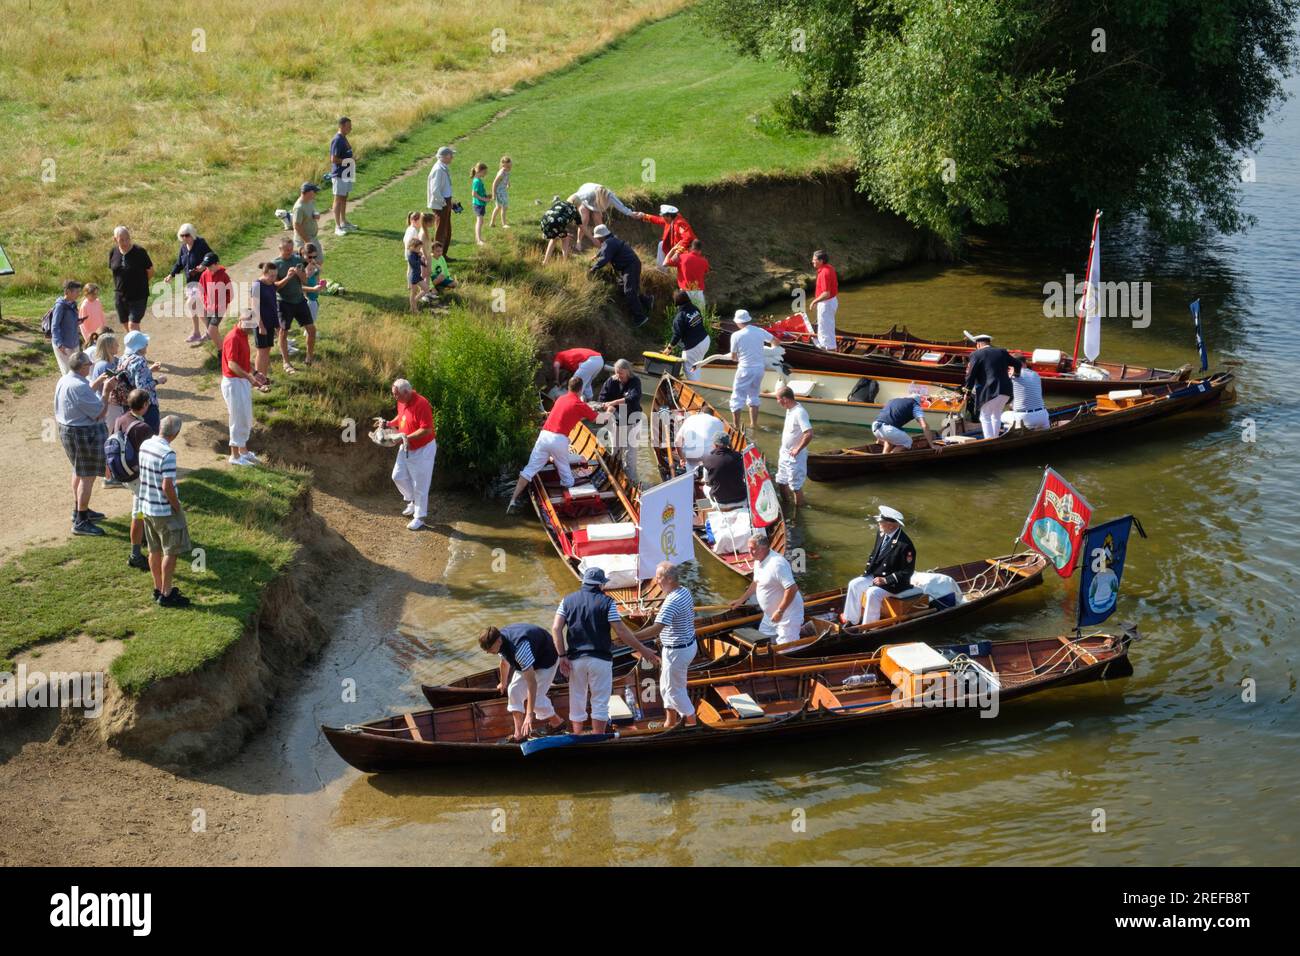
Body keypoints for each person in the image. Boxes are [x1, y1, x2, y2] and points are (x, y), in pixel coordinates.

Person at [553, 568, 660, 735]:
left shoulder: (566, 601)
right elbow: (622, 632)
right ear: (601, 585)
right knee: (600, 701)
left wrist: (562, 656)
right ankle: (598, 736)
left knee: (577, 698)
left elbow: (556, 628)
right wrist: (643, 649)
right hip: (600, 660)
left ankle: (577, 735)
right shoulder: (608, 602)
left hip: (575, 660)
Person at [506, 377, 601, 514]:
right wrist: (609, 412)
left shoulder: (561, 399)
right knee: (567, 478)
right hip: (559, 440)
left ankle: (513, 500)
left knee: (528, 471)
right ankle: (568, 505)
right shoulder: (580, 405)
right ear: (581, 389)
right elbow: (598, 419)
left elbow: (568, 414)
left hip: (544, 436)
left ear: (568, 387)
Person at [631, 562, 697, 729]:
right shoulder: (684, 591)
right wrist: (653, 613)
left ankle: (693, 725)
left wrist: (630, 636)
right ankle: (670, 722)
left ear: (668, 578)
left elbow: (655, 630)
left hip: (677, 652)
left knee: (675, 691)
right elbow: (669, 615)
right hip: (685, 647)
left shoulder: (672, 601)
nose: (656, 580)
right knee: (667, 687)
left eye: (658, 577)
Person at [54, 351, 111, 536]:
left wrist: (97, 383)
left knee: (78, 471)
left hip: (69, 430)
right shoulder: (79, 385)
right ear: (82, 367)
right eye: (89, 363)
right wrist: (107, 391)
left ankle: (79, 509)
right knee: (88, 476)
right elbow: (100, 413)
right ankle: (81, 521)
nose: (92, 364)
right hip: (83, 433)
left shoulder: (66, 379)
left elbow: (84, 395)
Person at [137, 415, 192, 607]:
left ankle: (158, 588)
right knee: (171, 551)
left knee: (154, 550)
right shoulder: (168, 454)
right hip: (163, 510)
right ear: (175, 434)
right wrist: (177, 506)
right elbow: (167, 486)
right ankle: (167, 594)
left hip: (146, 507)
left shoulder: (145, 445)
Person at [479, 623, 565, 741]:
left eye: (489, 649)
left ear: (498, 641)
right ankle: (519, 735)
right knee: (513, 690)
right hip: (529, 658)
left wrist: (529, 715)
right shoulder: (499, 639)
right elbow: (504, 662)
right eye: (486, 650)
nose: (488, 652)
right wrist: (503, 683)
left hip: (546, 660)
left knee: (536, 699)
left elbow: (532, 684)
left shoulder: (519, 649)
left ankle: (557, 723)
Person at [376, 379, 437, 530]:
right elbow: (401, 417)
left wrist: (404, 437)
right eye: (393, 394)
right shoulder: (402, 401)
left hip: (423, 449)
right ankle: (413, 501)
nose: (395, 397)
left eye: (396, 395)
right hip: (406, 445)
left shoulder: (422, 404)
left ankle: (420, 517)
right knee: (397, 476)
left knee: (420, 484)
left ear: (406, 392)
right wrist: (389, 424)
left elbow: (427, 429)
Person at [842, 506, 916, 626]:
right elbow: (874, 554)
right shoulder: (882, 533)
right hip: (876, 576)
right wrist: (868, 573)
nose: (879, 523)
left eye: (881, 521)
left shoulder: (905, 545)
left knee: (872, 593)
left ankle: (869, 627)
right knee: (854, 584)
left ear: (892, 525)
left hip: (894, 584)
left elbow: (907, 572)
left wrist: (885, 580)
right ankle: (852, 620)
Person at [731, 533, 804, 645]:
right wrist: (740, 600)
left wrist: (780, 611)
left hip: (787, 615)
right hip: (770, 615)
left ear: (763, 548)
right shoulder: (757, 561)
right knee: (760, 643)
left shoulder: (777, 564)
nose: (749, 552)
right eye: (748, 548)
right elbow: (756, 583)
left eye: (752, 549)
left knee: (786, 649)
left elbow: (792, 588)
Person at [114, 388, 155, 570]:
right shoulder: (143, 428)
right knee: (137, 514)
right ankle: (135, 555)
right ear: (144, 405)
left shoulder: (120, 419)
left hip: (125, 474)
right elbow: (150, 455)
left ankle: (145, 538)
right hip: (138, 477)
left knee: (141, 511)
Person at [221, 313, 267, 466]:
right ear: (240, 320)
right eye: (249, 325)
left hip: (241, 381)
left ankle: (243, 451)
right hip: (234, 383)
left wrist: (255, 373)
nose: (251, 329)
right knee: (237, 418)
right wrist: (250, 378)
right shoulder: (233, 337)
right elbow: (232, 365)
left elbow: (243, 360)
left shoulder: (242, 335)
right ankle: (234, 457)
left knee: (245, 417)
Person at [589, 224, 651, 327]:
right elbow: (605, 250)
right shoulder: (611, 240)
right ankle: (647, 301)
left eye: (598, 238)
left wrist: (593, 268)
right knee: (623, 286)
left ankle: (640, 318)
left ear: (602, 236)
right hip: (631, 266)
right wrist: (596, 255)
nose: (598, 240)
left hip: (630, 267)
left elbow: (605, 258)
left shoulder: (609, 243)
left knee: (629, 291)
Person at [964, 333, 1023, 439]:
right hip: (1006, 390)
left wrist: (967, 391)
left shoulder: (976, 354)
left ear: (978, 344)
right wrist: (1016, 375)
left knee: (984, 416)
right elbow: (1018, 364)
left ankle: (989, 440)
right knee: (996, 415)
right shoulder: (1002, 352)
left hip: (990, 391)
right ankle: (995, 438)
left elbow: (970, 375)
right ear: (989, 342)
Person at [163, 224, 212, 344]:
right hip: (190, 282)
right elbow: (179, 263)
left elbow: (210, 256)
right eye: (182, 236)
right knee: (195, 307)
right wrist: (171, 275)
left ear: (192, 234)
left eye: (187, 235)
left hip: (202, 281)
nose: (185, 238)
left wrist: (203, 265)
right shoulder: (183, 248)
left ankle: (211, 331)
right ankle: (197, 332)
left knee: (191, 304)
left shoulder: (200, 243)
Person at [726, 309, 774, 432]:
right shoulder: (760, 331)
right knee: (753, 395)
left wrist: (737, 358)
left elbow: (733, 357)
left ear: (738, 322)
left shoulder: (736, 335)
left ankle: (736, 426)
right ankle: (754, 424)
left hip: (745, 369)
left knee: (737, 397)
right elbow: (776, 342)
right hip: (759, 369)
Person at [272, 236, 316, 371]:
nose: (289, 252)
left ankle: (309, 357)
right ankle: (286, 362)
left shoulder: (297, 260)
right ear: (280, 249)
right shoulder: (275, 264)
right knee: (283, 333)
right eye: (286, 250)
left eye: (291, 249)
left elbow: (305, 281)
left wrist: (299, 273)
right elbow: (275, 287)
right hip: (284, 302)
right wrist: (287, 277)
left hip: (299, 300)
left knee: (311, 329)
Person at [597, 358, 643, 484]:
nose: (618, 376)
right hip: (616, 422)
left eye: (621, 373)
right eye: (616, 372)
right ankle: (616, 477)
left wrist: (615, 402)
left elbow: (634, 397)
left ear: (628, 371)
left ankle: (632, 482)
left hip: (632, 422)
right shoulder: (611, 381)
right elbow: (602, 398)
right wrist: (608, 407)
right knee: (615, 451)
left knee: (630, 455)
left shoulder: (635, 381)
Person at [774, 385, 813, 510]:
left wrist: (798, 449)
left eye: (778, 399)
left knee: (795, 487)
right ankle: (786, 506)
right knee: (781, 481)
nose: (777, 401)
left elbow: (809, 433)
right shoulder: (789, 410)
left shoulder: (800, 412)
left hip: (795, 456)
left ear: (785, 399)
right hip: (784, 453)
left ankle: (798, 511)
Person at [108, 226, 153, 331]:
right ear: (115, 240)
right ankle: (136, 346)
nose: (125, 242)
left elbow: (150, 271)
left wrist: (142, 283)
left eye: (127, 238)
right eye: (121, 240)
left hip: (138, 296)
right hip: (120, 296)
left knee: (132, 325)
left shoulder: (140, 252)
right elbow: (115, 271)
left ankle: (141, 347)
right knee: (126, 325)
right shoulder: (113, 252)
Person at [567, 182, 637, 250]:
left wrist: (631, 214)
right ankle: (578, 242)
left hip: (596, 203)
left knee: (598, 219)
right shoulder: (587, 194)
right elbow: (572, 198)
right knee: (585, 218)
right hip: (585, 201)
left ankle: (603, 243)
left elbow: (621, 207)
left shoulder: (610, 196)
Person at [120, 330, 165, 433]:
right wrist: (158, 381)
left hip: (130, 404)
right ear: (140, 347)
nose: (147, 346)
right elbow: (142, 387)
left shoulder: (123, 358)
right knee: (151, 435)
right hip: (144, 407)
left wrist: (149, 370)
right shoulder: (140, 361)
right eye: (145, 344)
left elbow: (133, 377)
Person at [90, 333, 126, 453]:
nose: (118, 346)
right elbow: (115, 386)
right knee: (112, 434)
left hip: (112, 403)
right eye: (116, 344)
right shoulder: (104, 365)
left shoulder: (113, 360)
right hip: (109, 405)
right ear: (109, 347)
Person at [664, 290, 710, 380]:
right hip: (705, 340)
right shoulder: (695, 309)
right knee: (696, 366)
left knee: (689, 370)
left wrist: (668, 348)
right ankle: (698, 385)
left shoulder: (679, 317)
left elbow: (677, 335)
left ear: (676, 303)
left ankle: (695, 391)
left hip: (694, 346)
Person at [872, 395, 940, 453]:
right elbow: (924, 426)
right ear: (918, 401)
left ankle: (884, 455)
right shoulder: (915, 405)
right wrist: (932, 445)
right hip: (888, 430)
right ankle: (889, 458)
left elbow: (884, 417)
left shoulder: (894, 400)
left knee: (890, 439)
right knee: (908, 442)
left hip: (875, 427)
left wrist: (879, 438)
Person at [640, 204, 697, 269]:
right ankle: (661, 270)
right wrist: (644, 216)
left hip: (688, 250)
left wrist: (678, 252)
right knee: (661, 244)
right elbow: (658, 220)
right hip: (676, 247)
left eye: (664, 216)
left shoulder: (680, 223)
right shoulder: (671, 219)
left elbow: (687, 237)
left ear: (669, 216)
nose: (663, 219)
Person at [251, 261, 280, 381]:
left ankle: (264, 377)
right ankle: (259, 380)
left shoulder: (271, 283)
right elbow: (255, 308)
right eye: (271, 275)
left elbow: (272, 304)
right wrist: (261, 326)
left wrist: (276, 324)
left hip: (270, 322)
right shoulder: (257, 285)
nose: (274, 278)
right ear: (264, 273)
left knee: (267, 351)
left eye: (275, 275)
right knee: (261, 352)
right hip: (261, 323)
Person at [701, 432, 747, 508]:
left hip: (720, 501)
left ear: (715, 445)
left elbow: (707, 482)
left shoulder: (707, 460)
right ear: (728, 443)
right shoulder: (740, 457)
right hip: (741, 498)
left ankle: (709, 507)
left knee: (704, 487)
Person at [425, 145, 456, 256]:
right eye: (450, 155)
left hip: (445, 201)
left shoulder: (442, 167)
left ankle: (443, 255)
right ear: (445, 156)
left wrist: (450, 201)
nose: (452, 157)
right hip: (440, 204)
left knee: (446, 230)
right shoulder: (438, 169)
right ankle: (437, 255)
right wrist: (444, 203)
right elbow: (435, 190)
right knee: (441, 231)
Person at [197, 251, 233, 347]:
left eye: (210, 265)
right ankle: (217, 341)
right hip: (208, 307)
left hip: (219, 309)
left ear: (217, 263)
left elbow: (230, 293)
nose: (208, 268)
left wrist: (222, 304)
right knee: (213, 331)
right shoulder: (205, 274)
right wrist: (204, 301)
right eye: (206, 266)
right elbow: (200, 288)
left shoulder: (224, 276)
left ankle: (221, 352)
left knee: (212, 330)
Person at [329, 117, 357, 235]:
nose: (350, 128)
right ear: (341, 126)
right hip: (340, 174)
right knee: (338, 199)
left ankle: (344, 222)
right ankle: (337, 226)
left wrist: (351, 161)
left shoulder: (344, 138)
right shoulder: (337, 140)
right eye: (348, 126)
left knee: (344, 197)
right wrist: (348, 161)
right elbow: (333, 159)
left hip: (347, 172)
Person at [665, 238, 710, 310]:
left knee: (682, 316)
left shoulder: (682, 257)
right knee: (700, 317)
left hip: (684, 293)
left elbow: (665, 263)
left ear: (690, 248)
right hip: (698, 292)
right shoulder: (704, 261)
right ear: (700, 250)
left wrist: (673, 250)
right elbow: (706, 272)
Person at [807, 249, 839, 351]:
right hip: (831, 301)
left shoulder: (824, 273)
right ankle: (826, 346)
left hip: (826, 303)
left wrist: (814, 301)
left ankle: (828, 350)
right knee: (825, 326)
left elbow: (826, 293)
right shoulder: (829, 268)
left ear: (821, 261)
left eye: (814, 259)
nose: (812, 261)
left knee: (825, 328)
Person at [50, 280, 83, 375]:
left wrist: (77, 322)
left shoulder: (73, 304)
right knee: (68, 372)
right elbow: (55, 326)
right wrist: (59, 344)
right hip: (63, 346)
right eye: (76, 292)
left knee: (77, 370)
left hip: (74, 343)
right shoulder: (60, 306)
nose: (78, 294)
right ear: (68, 292)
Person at [1006, 364, 1050, 430]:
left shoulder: (1012, 376)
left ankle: (1007, 429)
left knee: (1002, 416)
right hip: (1043, 416)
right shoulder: (1036, 374)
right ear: (1025, 364)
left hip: (1024, 418)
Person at [540, 195, 580, 263]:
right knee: (566, 238)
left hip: (544, 222)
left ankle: (545, 261)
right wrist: (592, 239)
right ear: (577, 204)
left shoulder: (559, 202)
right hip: (555, 223)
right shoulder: (574, 210)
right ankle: (564, 261)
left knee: (554, 239)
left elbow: (556, 214)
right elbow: (581, 226)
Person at [292, 182, 322, 258]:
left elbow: (312, 211)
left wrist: (315, 214)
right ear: (309, 192)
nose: (316, 194)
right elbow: (297, 226)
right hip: (304, 240)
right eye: (314, 192)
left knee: (319, 260)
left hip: (312, 237)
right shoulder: (299, 208)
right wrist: (307, 241)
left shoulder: (310, 201)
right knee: (310, 262)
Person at [488, 155, 511, 229]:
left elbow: (507, 177)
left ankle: (492, 223)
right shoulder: (501, 173)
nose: (510, 168)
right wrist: (494, 194)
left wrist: (508, 183)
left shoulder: (507, 171)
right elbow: (494, 183)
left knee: (498, 207)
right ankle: (504, 224)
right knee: (504, 207)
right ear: (504, 165)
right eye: (508, 166)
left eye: (510, 166)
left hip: (503, 191)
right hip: (499, 192)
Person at [470, 162, 490, 245]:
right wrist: (484, 199)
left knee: (481, 221)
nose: (485, 174)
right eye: (484, 172)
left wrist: (486, 196)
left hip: (480, 203)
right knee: (479, 221)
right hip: (478, 204)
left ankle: (479, 238)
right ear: (479, 171)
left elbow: (479, 192)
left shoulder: (478, 180)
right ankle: (478, 240)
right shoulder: (477, 181)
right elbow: (474, 194)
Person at [406, 236, 427, 314]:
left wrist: (425, 265)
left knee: (426, 289)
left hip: (418, 276)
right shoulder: (410, 255)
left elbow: (420, 262)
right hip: (414, 277)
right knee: (413, 292)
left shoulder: (415, 253)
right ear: (413, 247)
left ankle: (414, 302)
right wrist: (420, 257)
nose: (420, 250)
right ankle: (414, 309)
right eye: (419, 248)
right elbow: (415, 264)